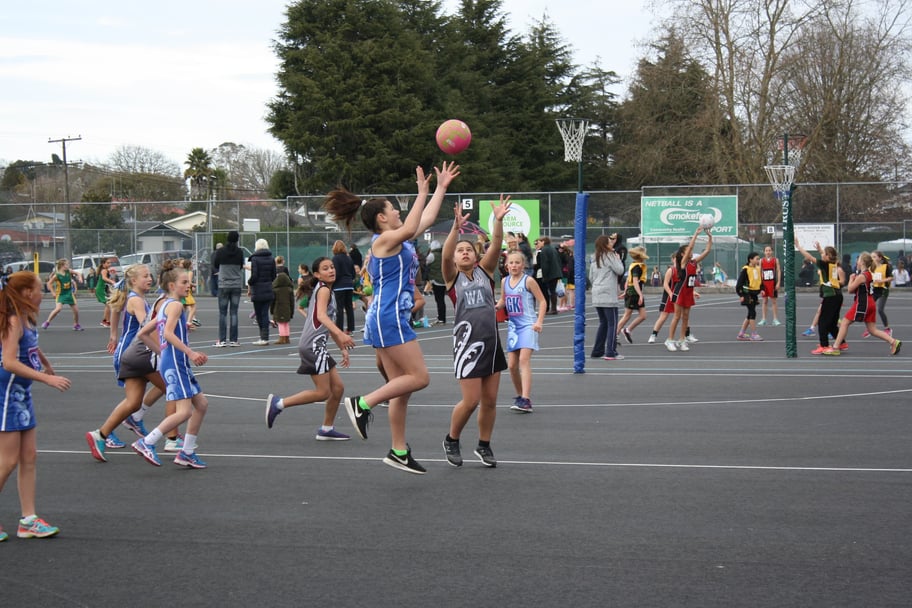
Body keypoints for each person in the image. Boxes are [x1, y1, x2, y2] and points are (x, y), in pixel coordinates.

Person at [328, 161, 459, 474]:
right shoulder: (383, 241)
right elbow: (413, 225)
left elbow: (422, 220)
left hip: (384, 316)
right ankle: (362, 404)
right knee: (420, 377)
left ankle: (399, 450)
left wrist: (439, 188)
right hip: (388, 317)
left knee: (404, 386)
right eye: (394, 209)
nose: (399, 211)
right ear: (381, 218)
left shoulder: (396, 238)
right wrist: (422, 190)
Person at [0, 271, 71, 540]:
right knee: (7, 461)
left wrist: (45, 362)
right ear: (28, 292)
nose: (45, 293)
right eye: (41, 288)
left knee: (29, 456)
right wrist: (46, 378)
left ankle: (28, 519)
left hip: (20, 392)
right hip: (6, 392)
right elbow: (8, 361)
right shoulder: (13, 319)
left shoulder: (26, 317)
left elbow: (29, 346)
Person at [441, 196, 510, 466]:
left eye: (469, 249)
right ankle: (451, 439)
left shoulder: (485, 271)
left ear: (476, 255)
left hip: (491, 344)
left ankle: (484, 445)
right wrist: (455, 230)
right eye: (461, 251)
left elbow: (496, 244)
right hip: (467, 346)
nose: (465, 252)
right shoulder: (452, 277)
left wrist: (499, 221)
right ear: (456, 259)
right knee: (470, 401)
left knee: (490, 401)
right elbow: (446, 254)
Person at [266, 257, 356, 439]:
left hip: (317, 345)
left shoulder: (326, 290)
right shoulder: (323, 290)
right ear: (317, 274)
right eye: (325, 268)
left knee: (337, 388)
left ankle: (326, 429)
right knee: (323, 392)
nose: (331, 270)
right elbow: (323, 317)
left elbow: (325, 323)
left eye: (332, 267)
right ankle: (278, 404)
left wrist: (342, 348)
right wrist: (341, 334)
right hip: (313, 346)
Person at [86, 264, 168, 461]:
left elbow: (114, 310)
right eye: (145, 276)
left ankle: (101, 434)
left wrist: (113, 336)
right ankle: (173, 438)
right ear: (133, 281)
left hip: (132, 353)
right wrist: (168, 338)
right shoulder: (137, 301)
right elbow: (146, 327)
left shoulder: (135, 298)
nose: (149, 278)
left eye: (150, 275)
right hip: (136, 353)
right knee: (172, 388)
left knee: (133, 402)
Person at [131, 263, 210, 468]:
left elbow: (143, 333)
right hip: (177, 363)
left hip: (173, 361)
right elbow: (166, 333)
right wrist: (190, 353)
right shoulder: (175, 305)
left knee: (201, 405)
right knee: (183, 412)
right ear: (172, 285)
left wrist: (162, 352)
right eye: (184, 282)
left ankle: (187, 452)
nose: (189, 285)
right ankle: (146, 442)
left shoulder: (164, 304)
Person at [498, 249, 546, 413]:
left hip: (528, 325)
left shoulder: (529, 281)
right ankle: (520, 396)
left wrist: (539, 321)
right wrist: (495, 307)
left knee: (523, 360)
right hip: (513, 326)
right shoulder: (505, 281)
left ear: (523, 265)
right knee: (511, 365)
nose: (514, 265)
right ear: (506, 266)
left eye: (517, 263)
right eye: (511, 263)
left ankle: (526, 399)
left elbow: (542, 301)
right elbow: (503, 300)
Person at [827, 252, 901, 356]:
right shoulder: (868, 274)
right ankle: (893, 342)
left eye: (858, 259)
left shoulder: (862, 276)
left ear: (861, 262)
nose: (856, 261)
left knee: (844, 322)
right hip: (870, 303)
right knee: (872, 330)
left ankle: (835, 347)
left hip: (862, 304)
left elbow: (850, 289)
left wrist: (851, 279)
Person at [795, 240, 845, 355]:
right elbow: (826, 255)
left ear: (828, 256)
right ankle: (841, 342)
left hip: (831, 296)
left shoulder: (824, 264)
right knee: (832, 322)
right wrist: (820, 249)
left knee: (823, 321)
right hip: (837, 295)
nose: (822, 255)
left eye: (824, 254)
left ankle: (824, 345)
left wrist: (799, 247)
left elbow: (809, 257)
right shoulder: (833, 263)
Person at [666, 227, 712, 351]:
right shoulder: (683, 263)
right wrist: (696, 234)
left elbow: (707, 250)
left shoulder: (694, 262)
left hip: (688, 292)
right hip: (679, 291)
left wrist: (710, 238)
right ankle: (670, 340)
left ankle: (682, 340)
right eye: (687, 251)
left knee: (686, 317)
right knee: (677, 316)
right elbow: (690, 248)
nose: (691, 251)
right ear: (683, 254)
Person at [589, 234, 625, 360]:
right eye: (610, 242)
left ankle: (597, 350)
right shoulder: (610, 256)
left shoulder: (594, 258)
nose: (612, 244)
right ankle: (610, 351)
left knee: (603, 322)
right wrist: (618, 258)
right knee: (612, 323)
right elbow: (620, 270)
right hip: (608, 294)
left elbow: (591, 277)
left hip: (597, 292)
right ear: (605, 244)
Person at [212, 230, 245, 347]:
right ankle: (234, 340)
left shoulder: (221, 251)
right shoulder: (240, 252)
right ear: (237, 239)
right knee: (234, 313)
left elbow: (215, 264)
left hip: (224, 284)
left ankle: (221, 340)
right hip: (236, 284)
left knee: (222, 313)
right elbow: (241, 265)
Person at [248, 238, 276, 346]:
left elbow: (254, 275)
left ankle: (263, 337)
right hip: (268, 288)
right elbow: (274, 275)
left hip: (258, 290)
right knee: (265, 314)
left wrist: (250, 282)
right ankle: (265, 337)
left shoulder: (255, 259)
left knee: (259, 314)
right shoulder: (271, 258)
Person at [42, 259, 83, 331]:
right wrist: (53, 292)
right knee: (58, 309)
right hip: (61, 294)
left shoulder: (69, 271)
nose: (68, 266)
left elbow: (78, 273)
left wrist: (80, 278)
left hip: (69, 293)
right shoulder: (57, 275)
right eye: (67, 264)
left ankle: (76, 324)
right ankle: (47, 322)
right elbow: (49, 283)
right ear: (62, 266)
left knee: (76, 310)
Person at [618, 246, 649, 344]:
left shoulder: (636, 264)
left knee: (643, 315)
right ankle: (614, 335)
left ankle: (627, 330)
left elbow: (628, 279)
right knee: (627, 315)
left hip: (633, 291)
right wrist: (640, 294)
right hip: (633, 292)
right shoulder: (637, 267)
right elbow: (635, 281)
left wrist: (625, 290)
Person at [648, 259, 678, 344]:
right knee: (663, 316)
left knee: (683, 315)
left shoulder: (683, 270)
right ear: (673, 259)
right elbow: (665, 284)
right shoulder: (671, 270)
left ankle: (687, 335)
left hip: (679, 296)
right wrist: (671, 294)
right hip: (668, 296)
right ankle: (653, 335)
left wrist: (693, 292)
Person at [863, 250, 892, 338]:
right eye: (871, 257)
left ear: (880, 258)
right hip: (874, 289)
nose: (873, 259)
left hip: (883, 289)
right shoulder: (870, 268)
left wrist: (882, 281)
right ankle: (869, 328)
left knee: (880, 309)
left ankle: (887, 329)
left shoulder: (885, 267)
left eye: (874, 257)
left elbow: (891, 278)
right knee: (869, 308)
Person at [735, 252, 763, 341]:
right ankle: (754, 334)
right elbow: (739, 284)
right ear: (750, 259)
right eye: (756, 259)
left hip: (755, 294)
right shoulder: (745, 270)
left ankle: (741, 333)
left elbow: (760, 281)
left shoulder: (758, 269)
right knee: (752, 313)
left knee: (749, 314)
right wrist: (741, 295)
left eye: (759, 259)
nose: (758, 260)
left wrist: (762, 289)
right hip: (747, 293)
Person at [331, 240, 356, 335]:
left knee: (339, 308)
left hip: (339, 286)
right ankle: (351, 328)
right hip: (349, 285)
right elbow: (353, 273)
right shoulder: (348, 258)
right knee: (349, 307)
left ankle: (339, 329)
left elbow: (335, 273)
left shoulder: (335, 259)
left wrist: (332, 284)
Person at [536, 236, 563, 314]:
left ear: (543, 242)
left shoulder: (544, 250)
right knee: (553, 291)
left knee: (551, 291)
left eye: (539, 242)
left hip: (551, 274)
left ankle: (553, 309)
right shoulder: (553, 248)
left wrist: (545, 276)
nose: (538, 244)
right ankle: (553, 308)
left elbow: (545, 264)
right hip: (556, 272)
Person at [423, 240, 448, 325]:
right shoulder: (443, 254)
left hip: (436, 280)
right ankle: (441, 317)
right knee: (441, 300)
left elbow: (426, 263)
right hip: (444, 280)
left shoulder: (431, 255)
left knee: (439, 300)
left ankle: (441, 318)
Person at [271, 262, 295, 344]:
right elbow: (292, 302)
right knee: (286, 323)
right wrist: (292, 311)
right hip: (288, 308)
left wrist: (271, 310)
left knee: (281, 323)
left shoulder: (275, 290)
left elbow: (273, 302)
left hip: (278, 309)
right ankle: (287, 337)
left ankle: (282, 337)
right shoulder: (290, 290)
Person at [758, 245, 781, 326]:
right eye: (766, 250)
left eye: (769, 250)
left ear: (772, 251)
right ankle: (764, 319)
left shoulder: (775, 260)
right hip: (764, 283)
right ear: (764, 252)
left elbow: (778, 271)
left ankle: (775, 319)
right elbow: (759, 272)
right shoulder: (761, 260)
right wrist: (760, 284)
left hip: (772, 283)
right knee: (764, 301)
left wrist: (778, 282)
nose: (768, 252)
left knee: (774, 301)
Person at [95, 257, 118, 328]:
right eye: (108, 263)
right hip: (100, 289)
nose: (109, 264)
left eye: (110, 263)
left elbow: (106, 280)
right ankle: (107, 321)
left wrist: (112, 280)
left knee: (108, 305)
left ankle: (105, 321)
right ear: (103, 263)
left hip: (103, 289)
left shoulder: (106, 270)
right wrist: (112, 282)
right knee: (109, 305)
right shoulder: (104, 270)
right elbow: (104, 278)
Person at [179, 258, 200, 328]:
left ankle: (180, 321)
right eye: (191, 264)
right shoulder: (190, 272)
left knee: (183, 308)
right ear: (189, 265)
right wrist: (195, 285)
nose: (192, 265)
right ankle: (189, 321)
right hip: (187, 291)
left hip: (182, 290)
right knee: (193, 306)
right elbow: (189, 282)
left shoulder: (182, 272)